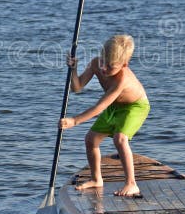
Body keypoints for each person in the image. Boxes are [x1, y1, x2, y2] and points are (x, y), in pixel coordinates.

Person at [58, 34, 150, 197]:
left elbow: (100, 106)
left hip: (135, 107)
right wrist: (73, 69)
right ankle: (96, 179)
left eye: (111, 66)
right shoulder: (95, 63)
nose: (104, 68)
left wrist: (75, 121)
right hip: (114, 105)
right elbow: (77, 87)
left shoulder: (122, 80)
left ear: (124, 65)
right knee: (90, 140)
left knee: (120, 138)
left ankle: (131, 184)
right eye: (103, 62)